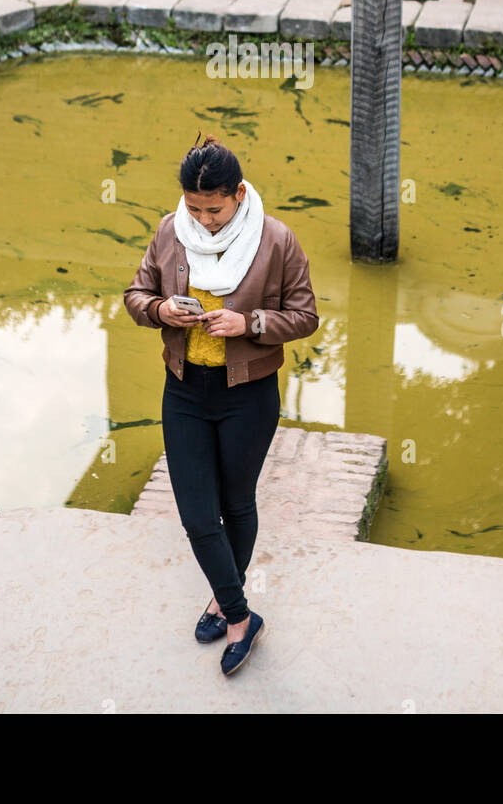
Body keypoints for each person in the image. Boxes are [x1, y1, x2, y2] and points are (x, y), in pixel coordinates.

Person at [122, 132, 320, 676]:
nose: (205, 221)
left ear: (238, 194)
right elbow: (135, 296)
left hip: (248, 393)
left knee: (236, 504)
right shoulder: (169, 231)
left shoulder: (277, 240)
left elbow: (305, 317)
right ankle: (240, 617)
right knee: (195, 514)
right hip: (184, 389)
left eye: (215, 209)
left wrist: (249, 323)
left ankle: (219, 600)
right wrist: (163, 311)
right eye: (195, 209)